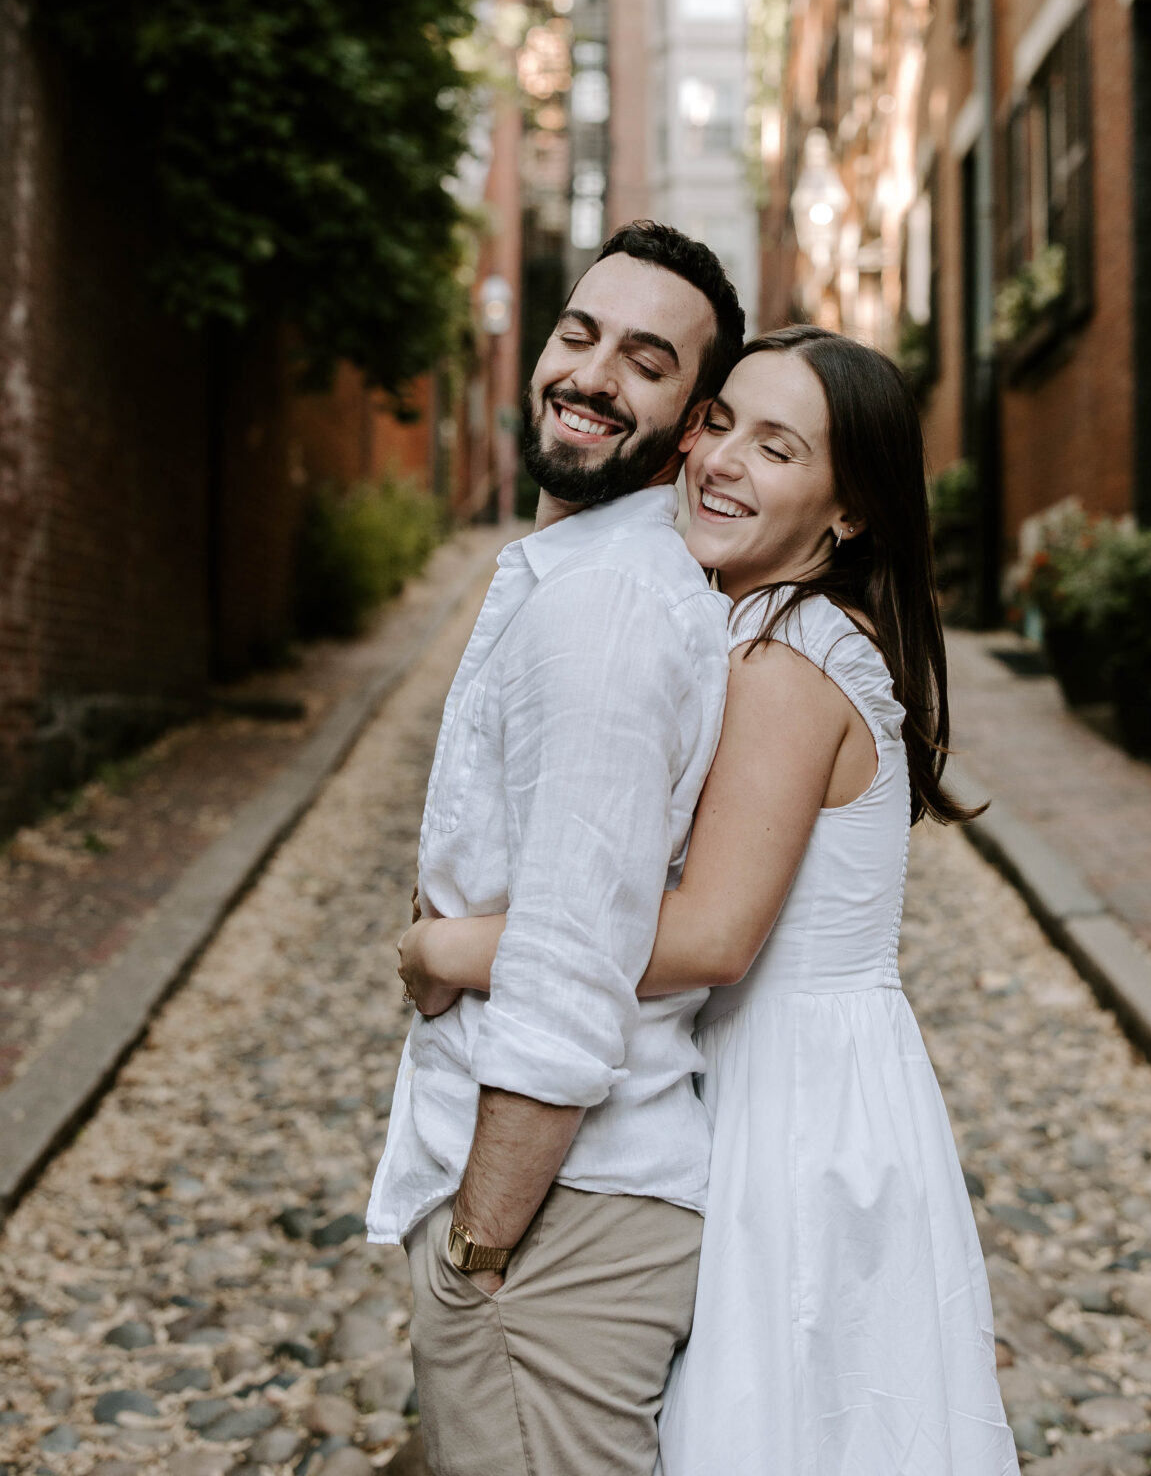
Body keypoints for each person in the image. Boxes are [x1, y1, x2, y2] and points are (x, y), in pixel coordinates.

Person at [401, 325, 1020, 1476]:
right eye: (720, 421)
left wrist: (453, 946)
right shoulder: (750, 619)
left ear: (849, 513)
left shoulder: (784, 655)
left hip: (791, 1096)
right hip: (810, 1074)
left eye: (777, 447)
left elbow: (712, 933)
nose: (721, 460)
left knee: (778, 1421)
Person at [366, 220, 745, 1476]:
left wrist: (477, 1255)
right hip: (561, 1217)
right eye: (579, 334)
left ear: (694, 421)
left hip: (557, 1232)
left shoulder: (604, 606)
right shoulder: (571, 572)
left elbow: (576, 973)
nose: (590, 374)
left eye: (647, 359)